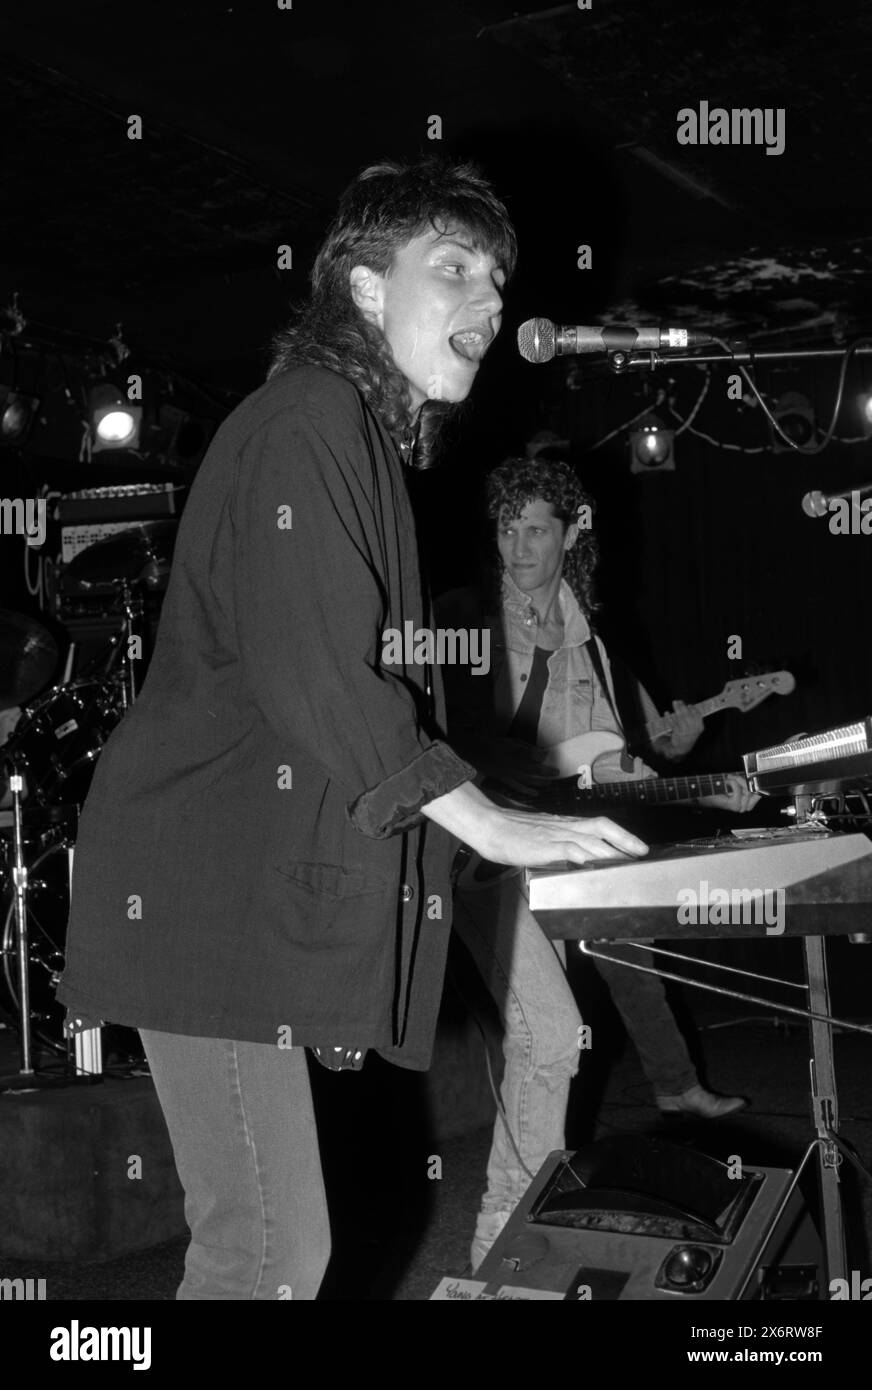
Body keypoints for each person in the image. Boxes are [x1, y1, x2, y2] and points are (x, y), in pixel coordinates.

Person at [56, 157, 647, 1301]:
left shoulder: (346, 435)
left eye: (497, 281)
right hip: (207, 894)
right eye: (455, 269)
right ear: (366, 289)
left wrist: (493, 811)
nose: (489, 303)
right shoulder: (304, 421)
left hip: (234, 892)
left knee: (266, 1247)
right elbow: (314, 667)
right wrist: (490, 825)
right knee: (268, 1251)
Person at [436, 455, 758, 1271]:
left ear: (573, 533)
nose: (517, 545)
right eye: (506, 528)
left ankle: (515, 1238)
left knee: (563, 1032)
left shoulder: (600, 650)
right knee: (550, 1033)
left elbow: (612, 767)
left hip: (563, 854)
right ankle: (499, 1243)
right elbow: (444, 745)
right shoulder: (462, 619)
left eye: (536, 528)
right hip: (481, 856)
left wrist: (709, 793)